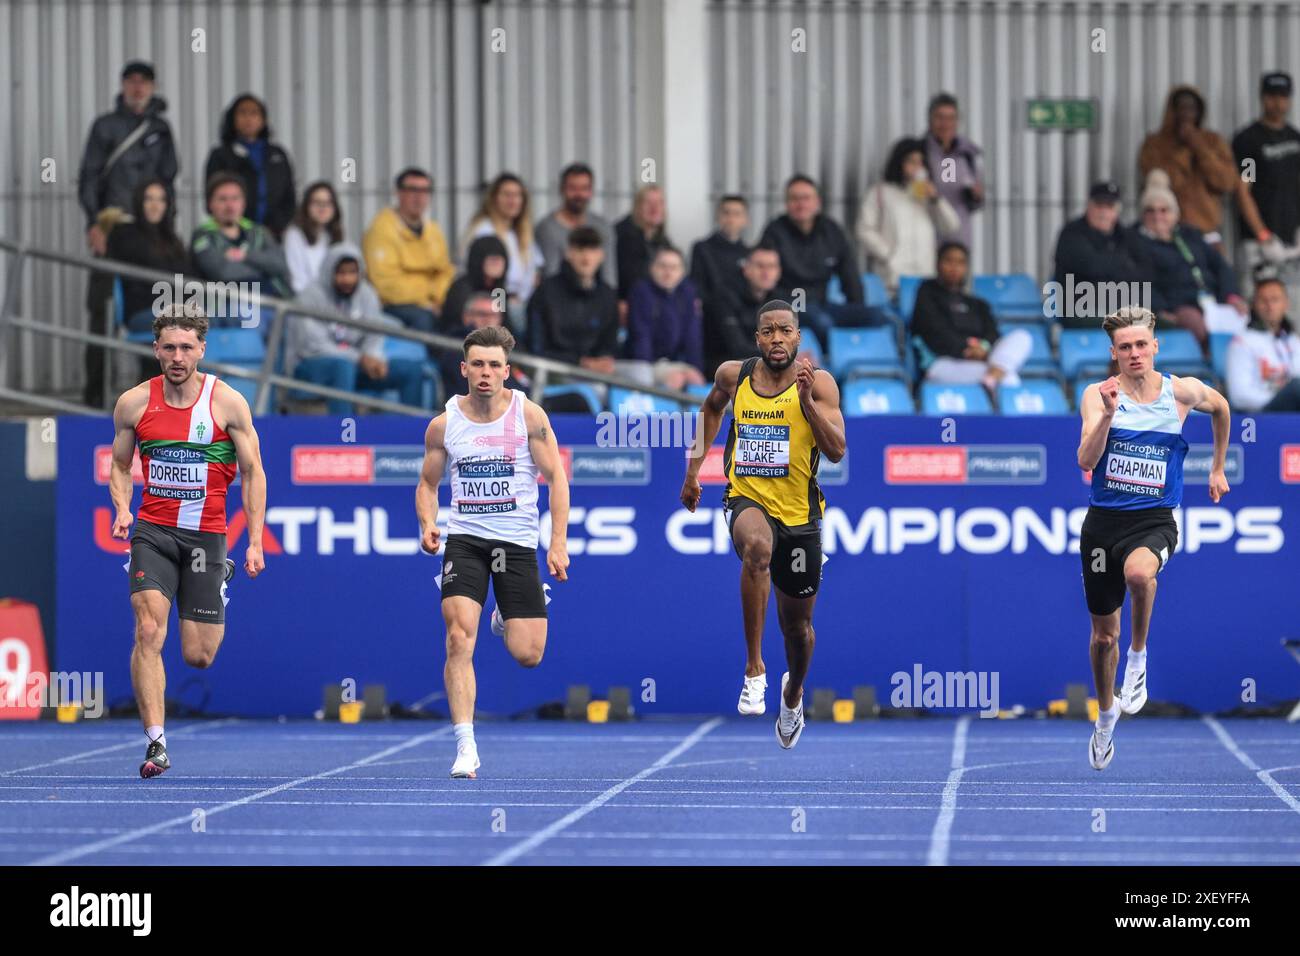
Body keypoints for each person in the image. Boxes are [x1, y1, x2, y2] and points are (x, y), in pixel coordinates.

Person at [108, 304, 267, 777]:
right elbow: (119, 465)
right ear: (155, 349)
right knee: (148, 630)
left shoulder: (228, 403)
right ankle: (156, 743)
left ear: (201, 349)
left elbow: (253, 473)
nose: (177, 356)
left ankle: (222, 575)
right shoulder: (134, 402)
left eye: (186, 347)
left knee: (199, 656)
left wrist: (254, 540)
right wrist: (121, 507)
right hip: (153, 532)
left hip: (205, 538)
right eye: (168, 347)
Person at [681, 300, 847, 749]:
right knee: (755, 548)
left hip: (801, 516)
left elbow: (836, 451)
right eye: (768, 331)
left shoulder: (822, 384)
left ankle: (792, 693)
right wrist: (694, 470)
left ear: (798, 338)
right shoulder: (734, 376)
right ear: (757, 339)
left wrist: (808, 403)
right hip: (747, 497)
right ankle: (754, 669)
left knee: (799, 631)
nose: (776, 338)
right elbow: (711, 410)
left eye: (785, 331)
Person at [1076, 306, 1230, 770]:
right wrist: (1105, 417)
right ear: (1114, 354)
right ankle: (1105, 719)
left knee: (1141, 574)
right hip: (1104, 524)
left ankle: (1139, 662)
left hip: (1155, 519)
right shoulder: (1097, 395)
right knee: (1104, 638)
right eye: (1125, 347)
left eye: (1141, 344)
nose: (1134, 353)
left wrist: (1217, 466)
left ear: (1155, 347)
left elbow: (1221, 408)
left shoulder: (1179, 392)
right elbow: (1085, 461)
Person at [415, 325, 570, 778]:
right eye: (477, 365)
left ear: (507, 371)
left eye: (494, 366)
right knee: (459, 637)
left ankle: (504, 616)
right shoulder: (444, 425)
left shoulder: (529, 417)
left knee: (528, 654)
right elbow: (427, 484)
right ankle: (465, 744)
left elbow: (557, 479)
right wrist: (428, 523)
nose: (485, 373)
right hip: (465, 541)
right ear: (464, 369)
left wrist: (556, 541)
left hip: (517, 542)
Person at [78, 60, 179, 406]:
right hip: (113, 230)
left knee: (153, 312)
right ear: (122, 86)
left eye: (145, 82)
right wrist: (95, 222)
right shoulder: (105, 126)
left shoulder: (161, 128)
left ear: (152, 87)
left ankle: (150, 403)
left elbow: (168, 183)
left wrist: (167, 232)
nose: (138, 88)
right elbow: (89, 178)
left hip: (149, 236)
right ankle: (92, 400)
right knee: (102, 312)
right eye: (132, 81)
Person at [286, 245, 426, 415]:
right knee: (342, 367)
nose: (348, 280)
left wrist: (373, 358)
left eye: (352, 272)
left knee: (410, 370)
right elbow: (312, 346)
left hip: (354, 366)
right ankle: (345, 437)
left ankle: (414, 436)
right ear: (329, 272)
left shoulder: (367, 294)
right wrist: (359, 358)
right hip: (308, 367)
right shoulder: (310, 297)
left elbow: (374, 333)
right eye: (341, 273)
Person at [1139, 84, 1269, 249]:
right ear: (1171, 111)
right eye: (1181, 108)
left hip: (1207, 232)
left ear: (1199, 112)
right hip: (1165, 233)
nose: (1186, 114)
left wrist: (1198, 145)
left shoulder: (1213, 141)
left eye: (1191, 109)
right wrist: (1180, 152)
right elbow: (1160, 181)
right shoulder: (1155, 144)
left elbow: (1227, 183)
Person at [759, 174, 882, 349]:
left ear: (817, 202)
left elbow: (850, 275)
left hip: (822, 303)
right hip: (790, 304)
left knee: (876, 316)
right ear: (786, 203)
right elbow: (763, 275)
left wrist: (856, 309)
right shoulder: (774, 232)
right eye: (794, 199)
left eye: (806, 198)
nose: (801, 204)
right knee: (822, 322)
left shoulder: (831, 230)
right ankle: (827, 369)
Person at [1136, 171, 1246, 347]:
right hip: (1178, 305)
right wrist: (1160, 309)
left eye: (1164, 210)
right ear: (1143, 215)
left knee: (1243, 318)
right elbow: (1139, 281)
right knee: (1196, 323)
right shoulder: (1136, 242)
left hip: (1212, 301)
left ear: (1175, 214)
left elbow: (1221, 266)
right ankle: (1210, 368)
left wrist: (1231, 296)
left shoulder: (1190, 235)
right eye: (1151, 210)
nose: (1158, 216)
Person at [912, 241, 1032, 392]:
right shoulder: (926, 294)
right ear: (938, 264)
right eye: (949, 261)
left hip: (980, 361)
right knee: (1009, 379)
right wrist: (965, 350)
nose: (954, 267)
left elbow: (992, 333)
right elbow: (935, 331)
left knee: (1023, 336)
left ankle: (993, 376)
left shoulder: (977, 304)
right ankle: (993, 378)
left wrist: (983, 347)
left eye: (960, 262)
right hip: (943, 363)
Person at [856, 137, 961, 294]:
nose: (917, 167)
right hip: (892, 275)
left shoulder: (927, 195)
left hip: (925, 273)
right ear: (899, 163)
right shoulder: (880, 192)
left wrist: (936, 199)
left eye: (921, 162)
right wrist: (888, 255)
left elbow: (951, 226)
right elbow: (864, 229)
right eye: (911, 162)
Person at [362, 167, 456, 336]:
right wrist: (428, 299)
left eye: (425, 191)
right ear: (398, 193)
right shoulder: (381, 230)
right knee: (424, 320)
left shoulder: (433, 230)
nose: (419, 197)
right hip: (394, 305)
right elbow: (386, 285)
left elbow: (446, 272)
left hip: (434, 302)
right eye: (412, 190)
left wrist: (437, 300)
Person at [190, 172, 293, 326]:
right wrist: (264, 269)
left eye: (235, 198)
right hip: (229, 307)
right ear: (210, 204)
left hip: (274, 302)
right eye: (223, 199)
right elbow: (223, 272)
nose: (230, 205)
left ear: (243, 203)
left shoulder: (259, 232)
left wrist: (245, 256)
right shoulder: (202, 235)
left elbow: (280, 264)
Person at [1233, 72, 1300, 296]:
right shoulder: (1249, 141)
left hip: (1293, 241)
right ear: (1262, 98)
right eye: (1272, 96)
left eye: (1282, 96)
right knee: (1259, 303)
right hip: (1260, 244)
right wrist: (1262, 234)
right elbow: (1244, 189)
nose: (1277, 102)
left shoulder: (1295, 138)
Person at [1052, 181, 1154, 327]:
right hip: (1080, 307)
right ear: (1089, 206)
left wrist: (1110, 266)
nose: (1104, 212)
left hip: (1124, 306)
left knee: (1161, 323)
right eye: (1099, 206)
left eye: (1109, 207)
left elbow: (1146, 272)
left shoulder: (1126, 235)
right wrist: (1124, 265)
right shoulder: (1072, 234)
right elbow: (1091, 267)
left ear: (1117, 210)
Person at [203, 93, 297, 239]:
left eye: (254, 113)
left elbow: (289, 196)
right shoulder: (220, 155)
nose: (248, 119)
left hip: (273, 233)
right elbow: (212, 196)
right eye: (242, 113)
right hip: (232, 233)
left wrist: (278, 225)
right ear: (232, 119)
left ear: (263, 119)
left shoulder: (277, 154)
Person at [526, 226, 619, 371]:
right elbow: (537, 348)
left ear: (601, 255)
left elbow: (609, 343)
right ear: (569, 253)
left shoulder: (607, 295)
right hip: (555, 370)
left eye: (592, 249)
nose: (586, 256)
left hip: (598, 371)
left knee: (640, 374)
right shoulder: (546, 292)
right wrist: (580, 362)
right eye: (580, 249)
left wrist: (603, 360)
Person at [109, 179, 191, 334]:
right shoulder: (125, 234)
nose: (155, 205)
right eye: (149, 199)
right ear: (139, 202)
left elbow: (188, 276)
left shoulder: (173, 240)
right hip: (143, 311)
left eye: (161, 200)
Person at [460, 172, 544, 318]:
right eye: (506, 195)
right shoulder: (484, 231)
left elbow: (536, 272)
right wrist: (505, 304)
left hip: (525, 302)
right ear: (494, 199)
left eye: (518, 195)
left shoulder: (522, 233)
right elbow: (487, 282)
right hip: (496, 300)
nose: (513, 201)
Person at [626, 246, 706, 389]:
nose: (668, 273)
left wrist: (696, 369)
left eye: (674, 267)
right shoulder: (641, 292)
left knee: (696, 380)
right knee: (675, 379)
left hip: (674, 362)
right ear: (651, 268)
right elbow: (640, 336)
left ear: (682, 272)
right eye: (662, 266)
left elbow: (692, 338)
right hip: (646, 363)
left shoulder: (688, 293)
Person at [535, 162, 618, 288]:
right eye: (573, 188)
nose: (579, 194)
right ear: (562, 190)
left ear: (591, 191)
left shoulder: (603, 227)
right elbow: (550, 274)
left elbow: (609, 276)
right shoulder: (547, 229)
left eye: (584, 188)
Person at [1225, 276, 1300, 412]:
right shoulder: (1242, 341)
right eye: (1263, 300)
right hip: (1261, 416)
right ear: (1254, 305)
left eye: (1275, 300)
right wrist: (1279, 397)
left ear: (1286, 304)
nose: (1270, 306)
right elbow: (1239, 396)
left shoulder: (1292, 340)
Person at [922, 93, 984, 250]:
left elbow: (976, 203)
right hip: (927, 238)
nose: (945, 124)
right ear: (930, 120)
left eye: (951, 118)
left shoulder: (968, 154)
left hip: (959, 239)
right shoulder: (919, 151)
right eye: (940, 118)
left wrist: (977, 196)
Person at [437, 292, 529, 398]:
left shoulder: (509, 347)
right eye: (482, 314)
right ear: (466, 317)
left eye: (494, 315)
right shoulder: (456, 347)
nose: (488, 319)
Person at [702, 245, 776, 376]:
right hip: (721, 363)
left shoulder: (777, 299)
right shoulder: (724, 296)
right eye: (760, 266)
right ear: (746, 270)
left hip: (758, 358)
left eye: (771, 267)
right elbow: (737, 347)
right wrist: (779, 353)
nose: (766, 273)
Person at [690, 195, 750, 311]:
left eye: (737, 214)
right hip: (710, 317)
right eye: (726, 213)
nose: (731, 219)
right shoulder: (702, 249)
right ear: (718, 217)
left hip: (741, 317)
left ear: (746, 220)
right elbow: (697, 288)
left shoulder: (749, 254)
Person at [283, 182, 344, 294]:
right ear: (307, 206)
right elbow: (298, 282)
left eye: (328, 203)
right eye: (317, 202)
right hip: (307, 304)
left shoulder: (330, 235)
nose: (322, 208)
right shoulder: (294, 235)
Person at [615, 185, 673, 302]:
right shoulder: (620, 236)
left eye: (659, 203)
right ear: (637, 207)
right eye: (648, 203)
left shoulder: (663, 241)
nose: (655, 208)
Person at [441, 235, 509, 334]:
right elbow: (457, 326)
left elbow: (504, 324)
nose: (498, 265)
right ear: (479, 261)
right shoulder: (461, 290)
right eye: (493, 260)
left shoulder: (499, 291)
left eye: (501, 260)